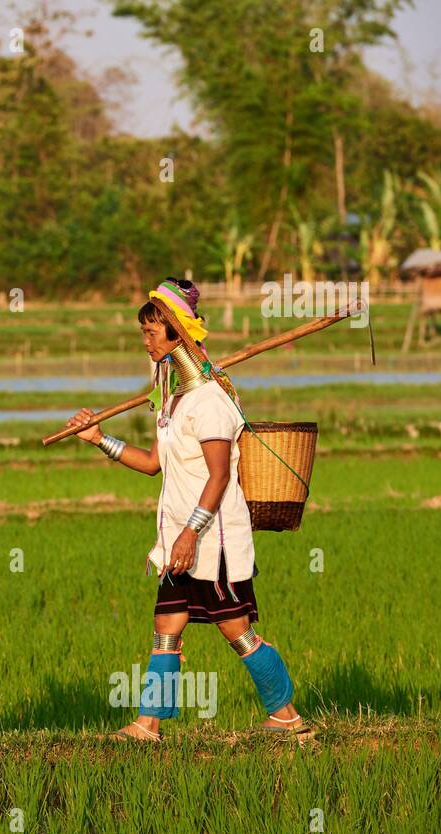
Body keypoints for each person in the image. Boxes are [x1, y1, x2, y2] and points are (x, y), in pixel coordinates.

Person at [67, 278, 312, 743]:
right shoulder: (173, 403)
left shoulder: (211, 402)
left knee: (235, 629)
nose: (146, 341)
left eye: (152, 332)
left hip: (211, 541)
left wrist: (189, 534)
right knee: (167, 626)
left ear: (177, 333)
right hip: (178, 541)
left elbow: (219, 476)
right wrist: (100, 440)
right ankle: (148, 723)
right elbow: (153, 465)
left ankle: (286, 715)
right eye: (143, 332)